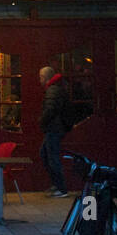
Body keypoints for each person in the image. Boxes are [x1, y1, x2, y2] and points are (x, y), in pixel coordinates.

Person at [39, 65, 71, 197]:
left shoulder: (52, 90)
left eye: (40, 77)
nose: (39, 80)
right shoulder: (57, 88)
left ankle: (61, 188)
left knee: (51, 157)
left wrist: (42, 121)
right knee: (46, 154)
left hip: (54, 128)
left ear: (45, 77)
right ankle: (57, 184)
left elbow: (50, 109)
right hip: (56, 127)